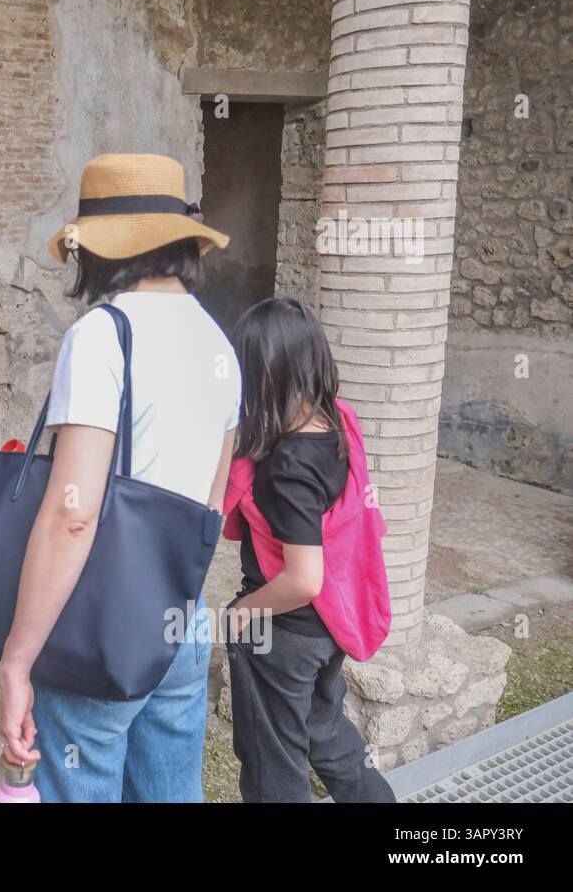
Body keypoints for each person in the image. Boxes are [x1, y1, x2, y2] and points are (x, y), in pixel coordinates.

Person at [0, 153, 240, 802]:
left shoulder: (104, 336)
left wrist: (18, 659)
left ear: (100, 252)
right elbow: (211, 508)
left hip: (102, 630)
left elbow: (72, 514)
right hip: (180, 620)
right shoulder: (219, 346)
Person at [222, 297, 395, 803]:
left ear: (260, 374)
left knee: (272, 762)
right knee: (325, 731)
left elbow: (302, 579)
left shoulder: (288, 468)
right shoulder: (335, 423)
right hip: (328, 626)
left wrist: (240, 613)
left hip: (285, 630)